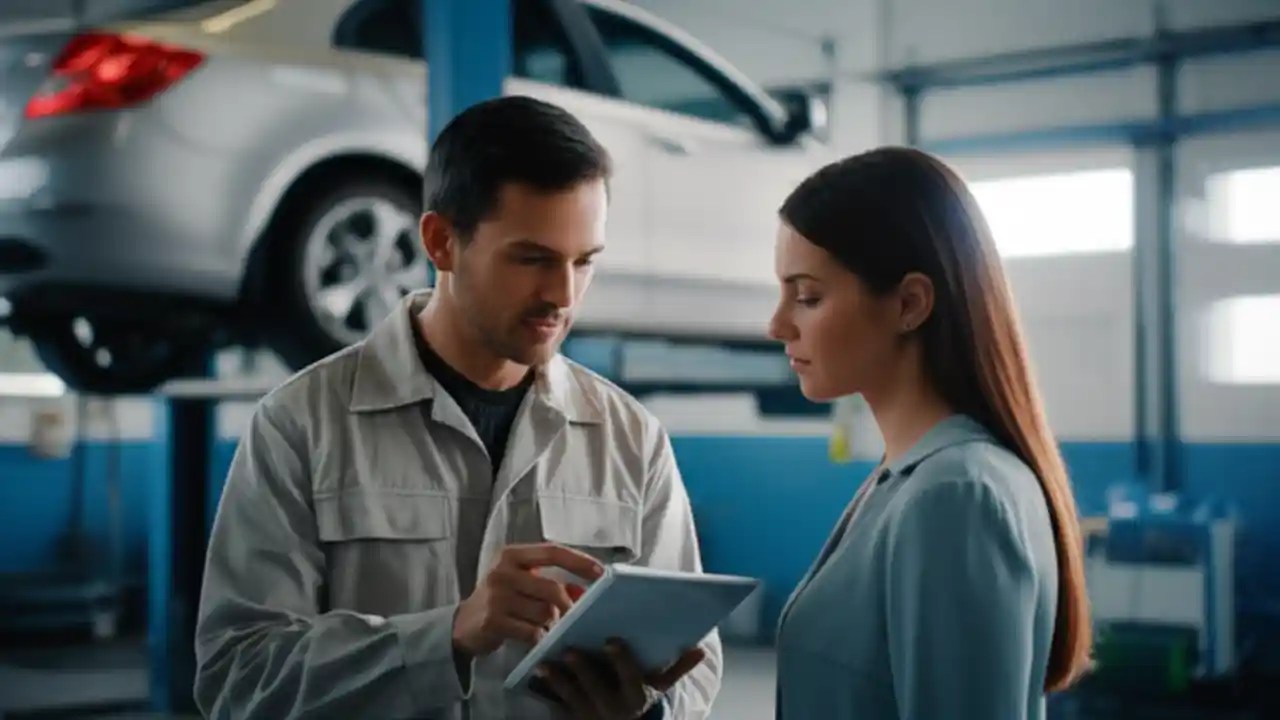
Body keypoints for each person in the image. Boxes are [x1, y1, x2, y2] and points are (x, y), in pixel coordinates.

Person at [194, 96, 721, 720]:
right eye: (533, 259)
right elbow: (238, 678)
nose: (563, 294)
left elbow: (695, 669)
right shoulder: (300, 426)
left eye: (584, 262)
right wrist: (447, 636)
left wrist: (647, 710)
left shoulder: (631, 439)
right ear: (441, 242)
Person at [768, 147, 1093, 719]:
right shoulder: (912, 479)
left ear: (910, 303)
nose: (777, 325)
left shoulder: (954, 494)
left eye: (808, 297)